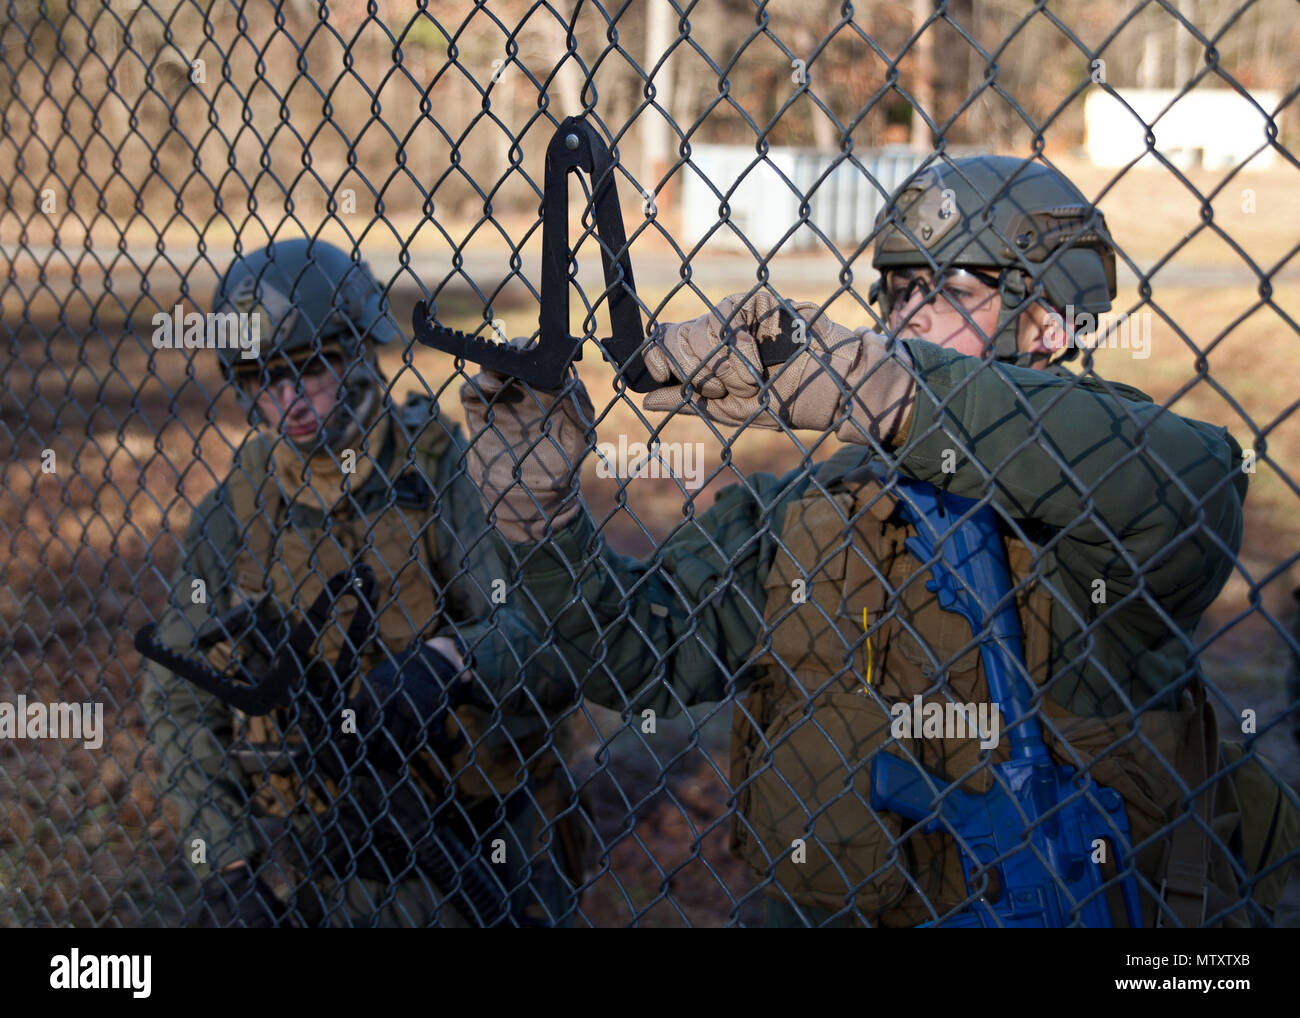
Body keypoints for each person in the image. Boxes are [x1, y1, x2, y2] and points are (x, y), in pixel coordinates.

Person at [460, 155, 1297, 927]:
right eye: (896, 291)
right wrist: (542, 519)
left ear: (1048, 324)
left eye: (951, 287)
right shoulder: (813, 507)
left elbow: (1188, 480)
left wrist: (889, 385)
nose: (909, 314)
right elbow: (637, 652)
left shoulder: (1101, 500)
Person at [141, 237, 585, 927]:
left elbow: (549, 636)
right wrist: (228, 866)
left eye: (309, 368)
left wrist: (448, 663)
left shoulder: (444, 474)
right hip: (329, 844)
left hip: (473, 830)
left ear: (358, 353)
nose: (288, 400)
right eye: (263, 378)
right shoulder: (242, 503)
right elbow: (176, 686)